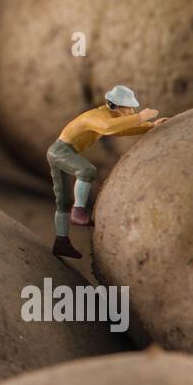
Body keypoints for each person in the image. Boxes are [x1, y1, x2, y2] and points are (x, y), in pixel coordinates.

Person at [46, 85, 166, 259]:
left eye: (133, 108)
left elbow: (120, 130)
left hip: (64, 152)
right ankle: (78, 212)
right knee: (86, 171)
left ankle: (61, 242)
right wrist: (140, 117)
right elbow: (108, 128)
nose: (132, 111)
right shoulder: (96, 117)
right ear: (114, 106)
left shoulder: (112, 116)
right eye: (129, 108)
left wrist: (150, 126)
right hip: (60, 151)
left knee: (64, 201)